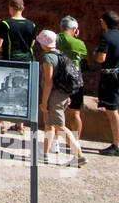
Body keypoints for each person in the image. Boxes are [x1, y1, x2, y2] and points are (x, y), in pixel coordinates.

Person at [36, 30, 86, 167]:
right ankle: (44, 154)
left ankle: (80, 156)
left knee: (60, 126)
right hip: (63, 94)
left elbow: (49, 81)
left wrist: (44, 101)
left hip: (54, 96)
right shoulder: (60, 54)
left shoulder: (47, 59)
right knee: (49, 124)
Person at [0, 0, 37, 135]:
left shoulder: (6, 24)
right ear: (23, 8)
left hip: (10, 60)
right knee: (22, 91)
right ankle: (20, 125)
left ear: (10, 8)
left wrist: (7, 51)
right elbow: (32, 44)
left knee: (5, 89)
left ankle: (1, 124)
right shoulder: (32, 25)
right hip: (27, 62)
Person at [94, 11, 119, 156]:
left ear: (105, 22)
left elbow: (101, 58)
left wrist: (95, 54)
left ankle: (116, 144)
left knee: (112, 110)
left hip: (111, 76)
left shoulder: (106, 37)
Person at [56, 16, 89, 142]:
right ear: (75, 30)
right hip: (75, 80)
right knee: (75, 113)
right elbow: (85, 61)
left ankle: (55, 141)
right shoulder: (79, 44)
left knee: (55, 111)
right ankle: (75, 141)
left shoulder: (55, 39)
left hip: (58, 79)